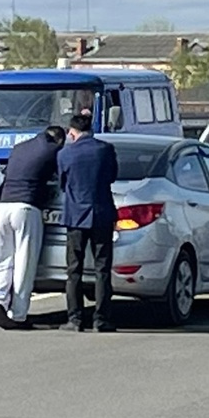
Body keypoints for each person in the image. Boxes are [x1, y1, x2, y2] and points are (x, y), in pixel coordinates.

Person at [0, 121, 65, 329]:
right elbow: (61, 177)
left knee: (2, 258)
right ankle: (19, 314)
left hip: (3, 206)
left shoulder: (20, 147)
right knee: (25, 260)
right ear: (59, 140)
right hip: (26, 207)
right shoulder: (53, 150)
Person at [57, 110, 121, 331]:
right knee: (102, 269)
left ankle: (74, 318)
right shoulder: (106, 150)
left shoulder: (65, 154)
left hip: (75, 216)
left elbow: (62, 183)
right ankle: (101, 319)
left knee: (74, 270)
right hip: (102, 213)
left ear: (72, 133)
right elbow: (112, 177)